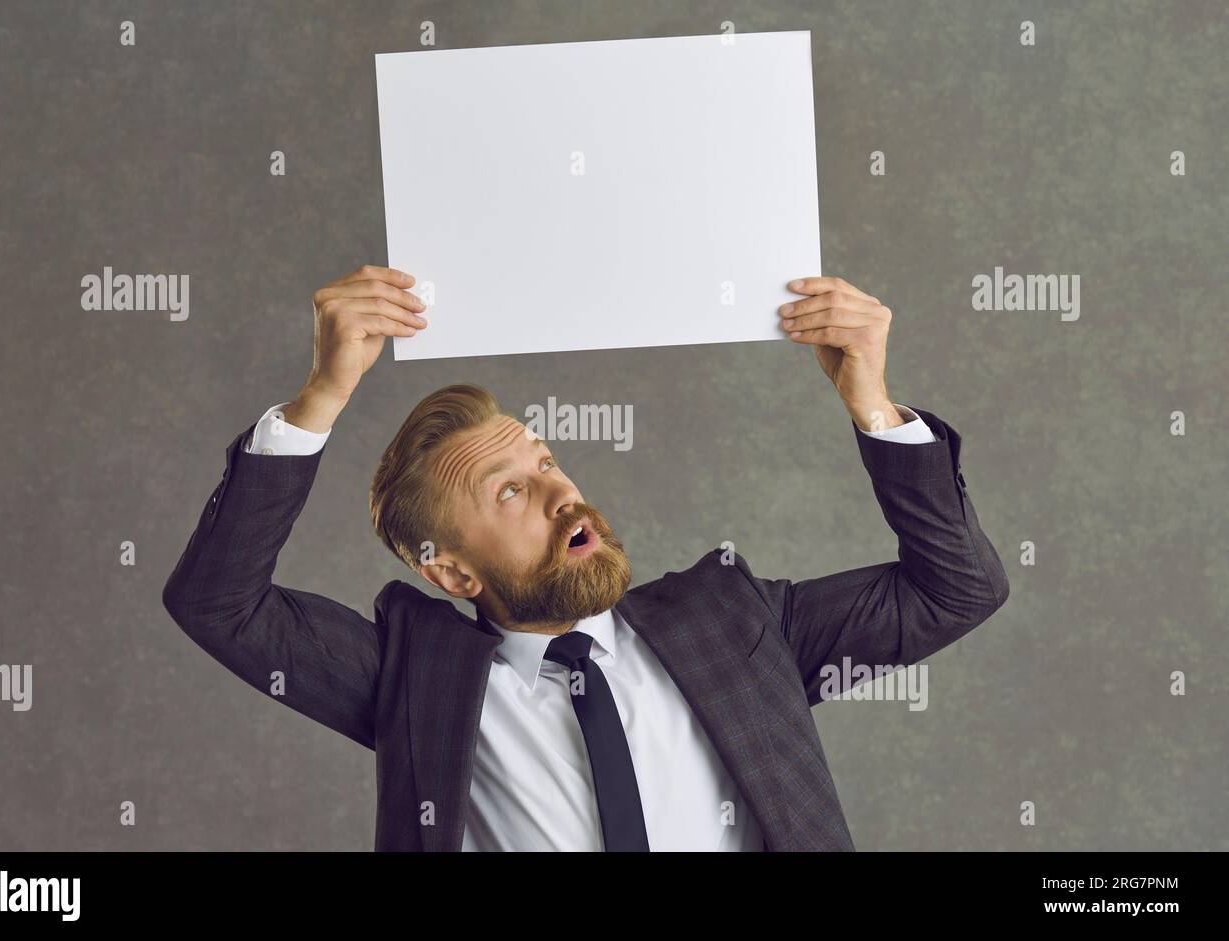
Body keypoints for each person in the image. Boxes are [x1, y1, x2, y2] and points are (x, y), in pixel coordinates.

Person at [162, 264, 1010, 851]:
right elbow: (219, 603)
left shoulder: (740, 624)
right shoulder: (411, 677)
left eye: (544, 462)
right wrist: (323, 395)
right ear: (452, 572)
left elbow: (957, 588)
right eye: (508, 493)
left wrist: (872, 401)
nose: (559, 492)